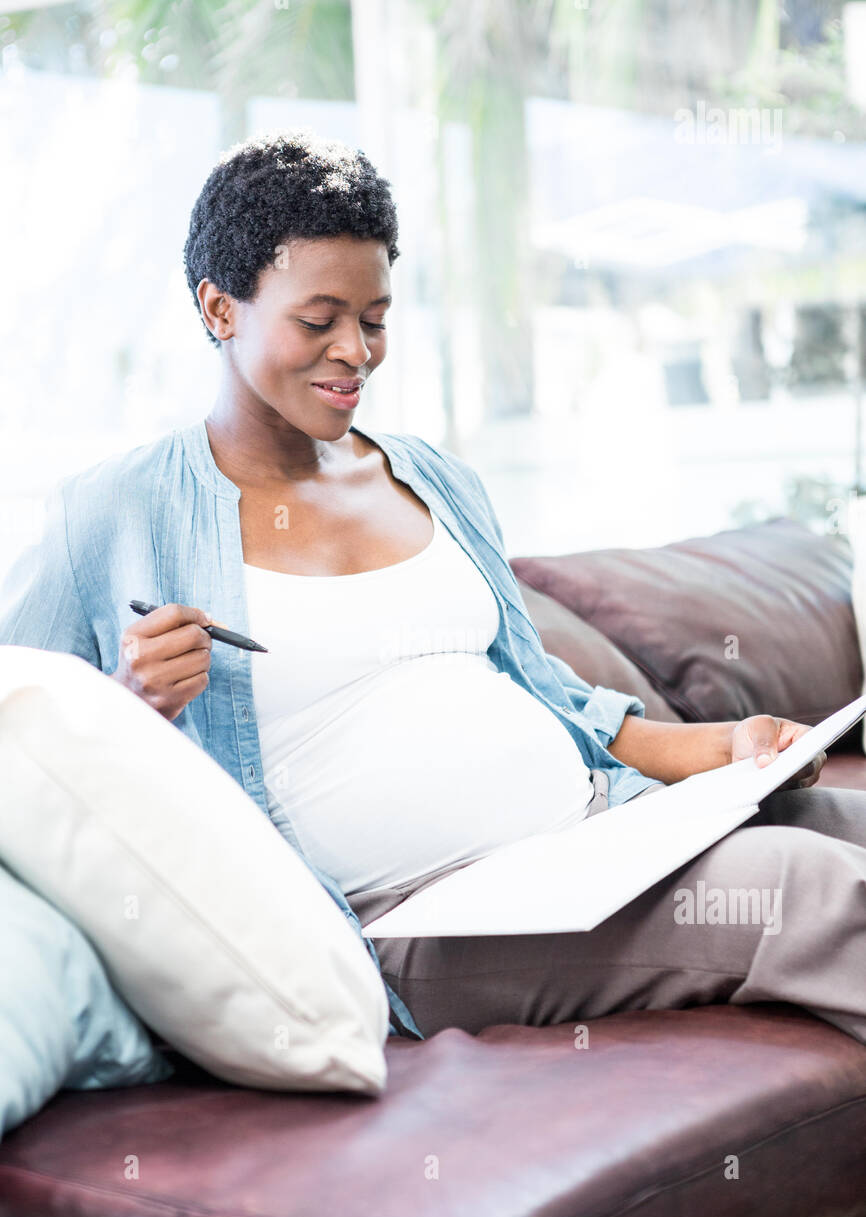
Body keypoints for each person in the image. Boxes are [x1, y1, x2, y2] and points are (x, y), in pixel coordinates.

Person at [1, 129, 864, 1049]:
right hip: (426, 925)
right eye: (318, 318)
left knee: (837, 820)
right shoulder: (118, 515)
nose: (355, 353)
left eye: (373, 319)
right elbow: (25, 745)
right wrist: (136, 712)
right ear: (220, 308)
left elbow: (562, 704)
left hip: (603, 835)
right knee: (804, 893)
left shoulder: (431, 478)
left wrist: (731, 747)